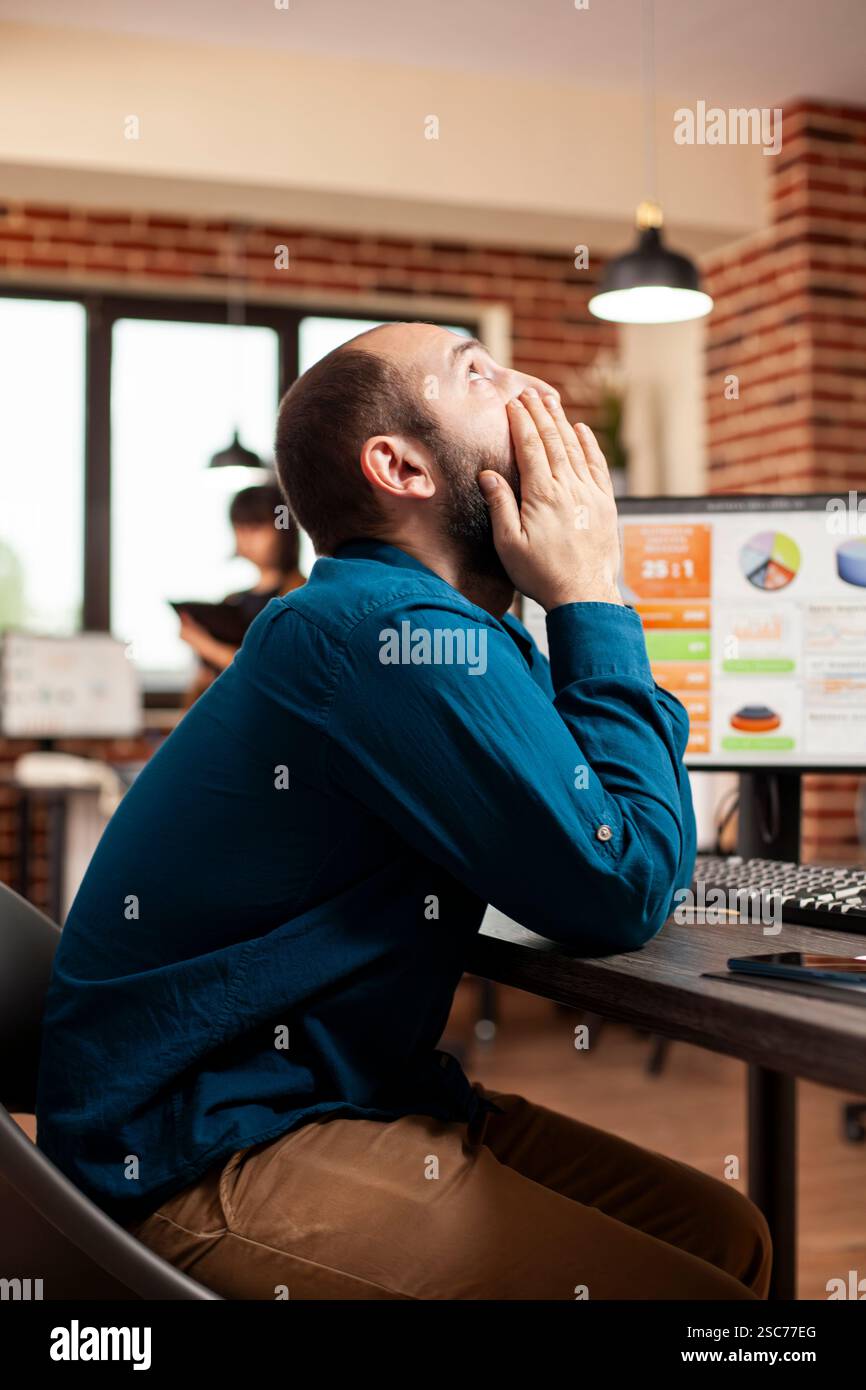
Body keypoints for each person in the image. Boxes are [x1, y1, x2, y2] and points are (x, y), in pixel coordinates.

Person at [35, 323, 771, 1300]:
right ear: (401, 466)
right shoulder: (388, 633)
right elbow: (625, 884)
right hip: (205, 1145)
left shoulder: (460, 637)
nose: (535, 389)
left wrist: (581, 602)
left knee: (727, 1236)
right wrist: (592, 590)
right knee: (699, 1302)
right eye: (480, 372)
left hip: (347, 1094)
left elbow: (621, 849)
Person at [178, 480, 304, 702]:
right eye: (239, 527)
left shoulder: (302, 598)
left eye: (255, 527)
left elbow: (274, 674)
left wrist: (207, 646)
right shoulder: (232, 602)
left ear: (283, 530)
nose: (245, 537)